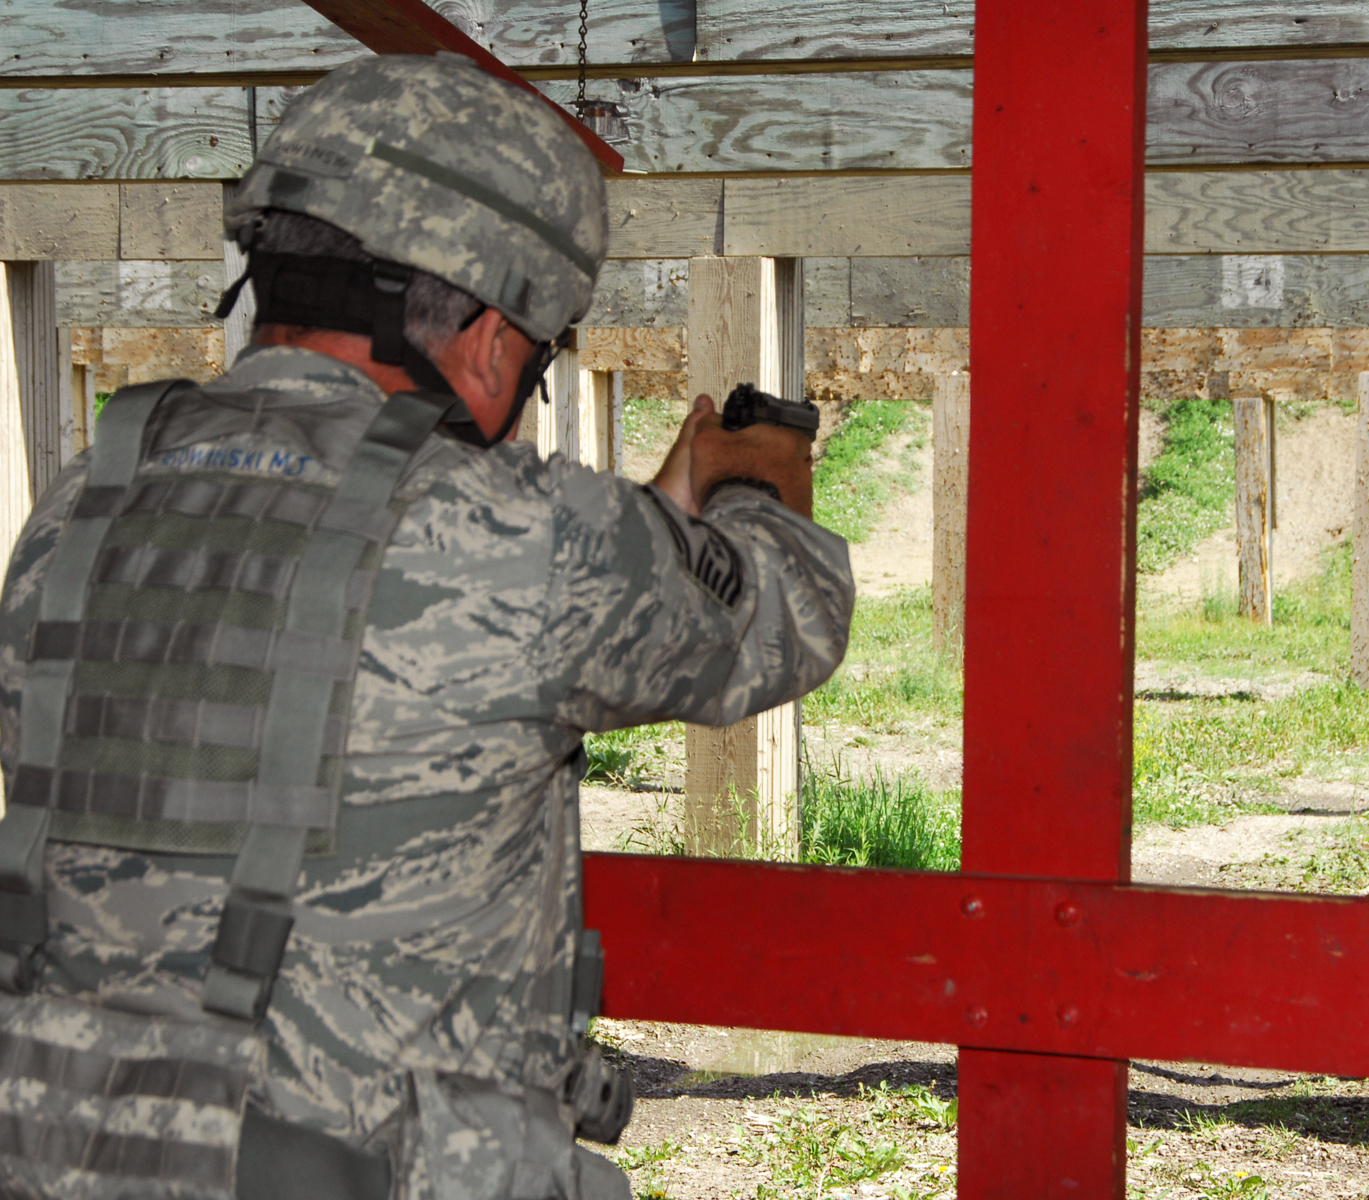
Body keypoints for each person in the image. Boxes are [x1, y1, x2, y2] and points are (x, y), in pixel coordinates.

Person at [0, 54, 852, 1200]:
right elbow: (788, 612)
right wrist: (751, 486)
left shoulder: (82, 506)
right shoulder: (527, 542)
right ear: (494, 338)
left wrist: (649, 527)